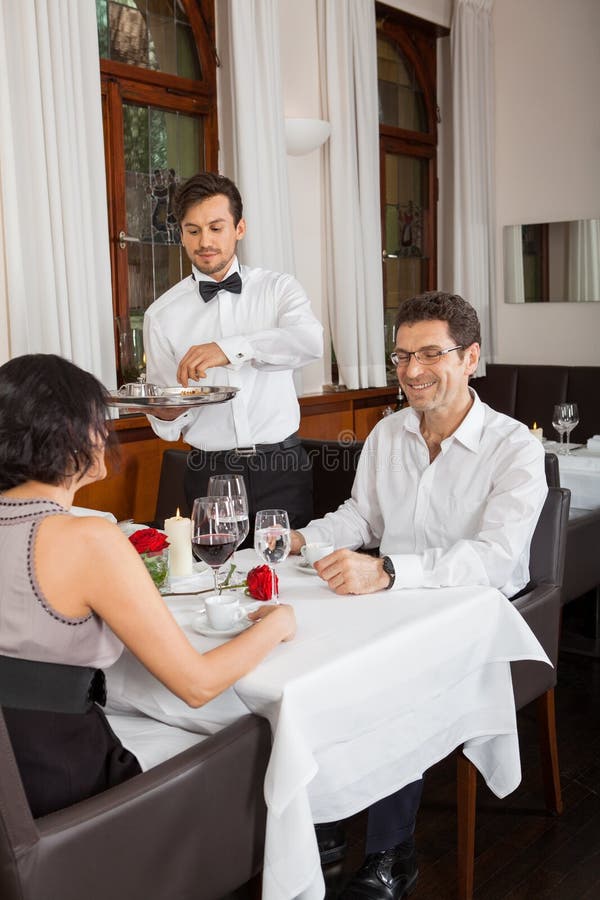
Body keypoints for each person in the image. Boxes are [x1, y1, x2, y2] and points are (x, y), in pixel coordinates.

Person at [289, 292, 547, 900]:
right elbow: (360, 517)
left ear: (471, 358)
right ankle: (324, 820)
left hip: (475, 618)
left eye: (431, 354)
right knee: (310, 665)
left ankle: (390, 852)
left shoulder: (514, 448)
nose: (411, 371)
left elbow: (497, 561)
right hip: (391, 603)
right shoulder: (385, 435)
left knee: (391, 684)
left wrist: (389, 573)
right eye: (402, 355)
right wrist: (301, 538)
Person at [0, 353, 295, 819]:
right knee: (265, 738)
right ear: (69, 432)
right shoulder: (88, 538)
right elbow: (198, 687)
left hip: (14, 781)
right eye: (100, 421)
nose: (106, 435)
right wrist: (277, 624)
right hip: (64, 789)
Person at [143, 172, 323, 543]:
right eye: (192, 230)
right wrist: (164, 409)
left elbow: (309, 341)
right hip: (208, 471)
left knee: (292, 582)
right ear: (181, 234)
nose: (204, 241)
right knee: (217, 581)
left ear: (239, 228)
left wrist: (227, 348)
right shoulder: (161, 315)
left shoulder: (278, 289)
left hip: (281, 467)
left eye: (215, 227)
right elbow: (169, 418)